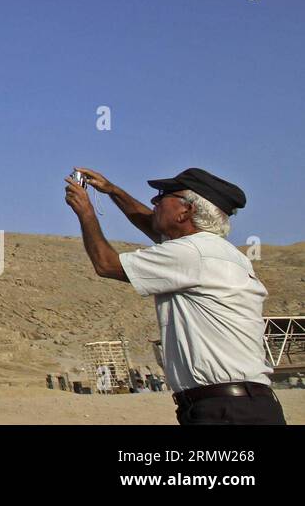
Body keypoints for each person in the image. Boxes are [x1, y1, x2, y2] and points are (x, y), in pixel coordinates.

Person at [66, 166, 285, 425]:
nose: (154, 201)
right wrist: (113, 191)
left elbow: (106, 264)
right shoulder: (215, 251)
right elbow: (151, 224)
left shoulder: (193, 253)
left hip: (227, 411)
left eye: (164, 196)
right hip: (236, 406)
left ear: (187, 210)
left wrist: (86, 212)